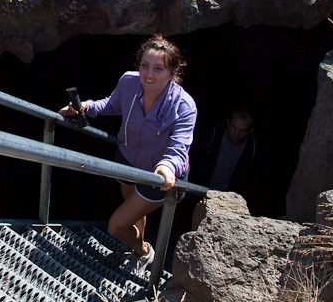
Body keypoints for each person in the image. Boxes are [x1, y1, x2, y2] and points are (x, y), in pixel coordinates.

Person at [59, 35, 197, 270]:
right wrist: (85, 107)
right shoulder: (129, 82)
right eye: (144, 66)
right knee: (132, 215)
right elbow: (112, 105)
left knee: (117, 226)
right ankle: (134, 248)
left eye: (158, 68)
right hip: (127, 159)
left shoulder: (183, 106)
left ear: (173, 71)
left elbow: (179, 146)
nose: (148, 75)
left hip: (157, 176)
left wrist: (167, 167)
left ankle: (144, 251)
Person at [195, 107, 256, 196]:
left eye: (242, 131)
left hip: (229, 201)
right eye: (233, 128)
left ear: (250, 131)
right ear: (228, 123)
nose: (236, 134)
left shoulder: (252, 150)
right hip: (201, 193)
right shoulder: (213, 136)